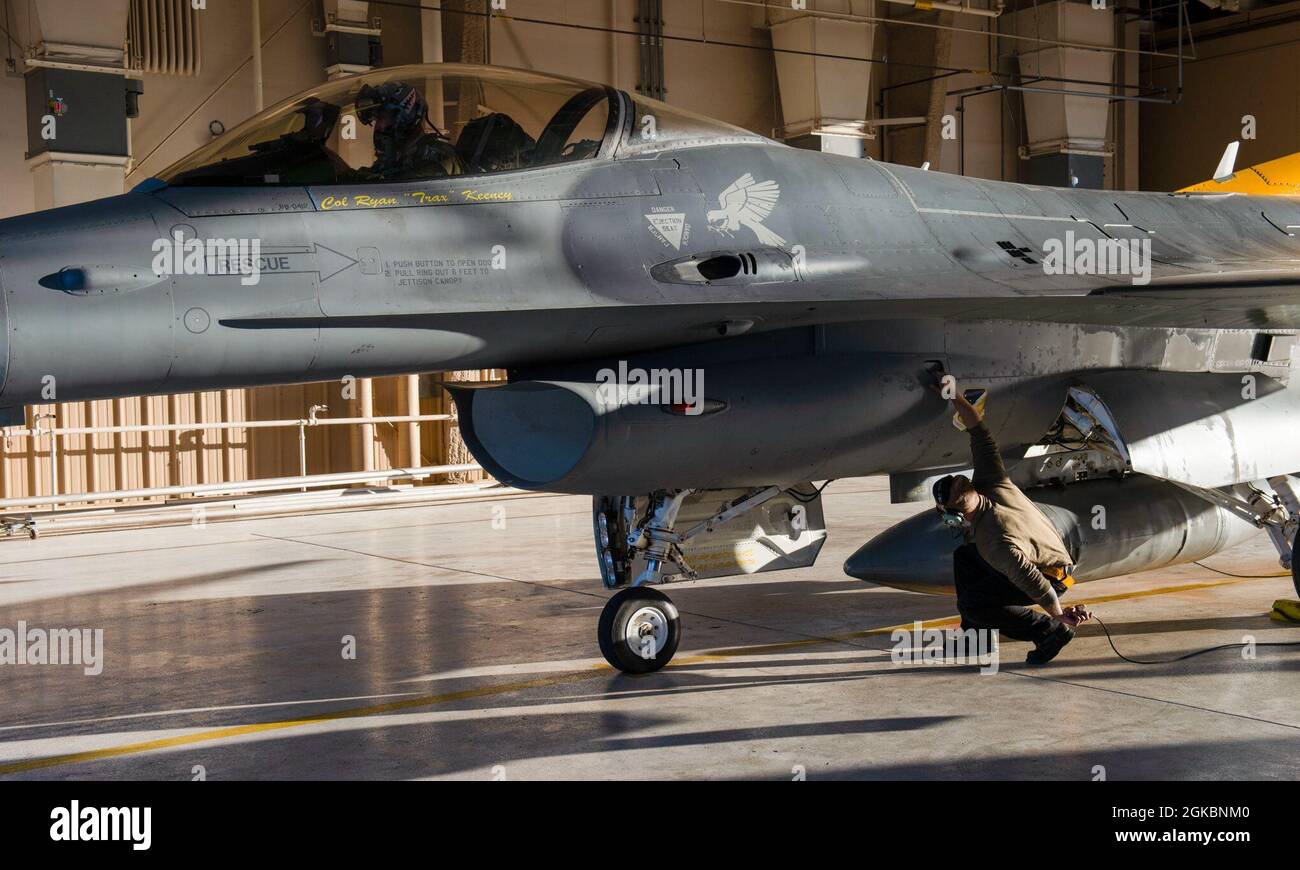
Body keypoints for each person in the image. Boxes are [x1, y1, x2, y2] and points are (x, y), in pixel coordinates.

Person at [931, 379, 1092, 665]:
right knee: (965, 557)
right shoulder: (992, 481)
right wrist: (953, 393)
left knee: (973, 604)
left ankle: (1049, 632)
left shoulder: (993, 540)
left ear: (954, 515)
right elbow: (979, 431)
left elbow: (1030, 579)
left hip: (1051, 577)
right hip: (1051, 557)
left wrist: (1058, 615)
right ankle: (975, 641)